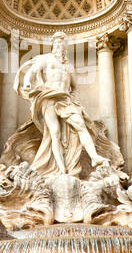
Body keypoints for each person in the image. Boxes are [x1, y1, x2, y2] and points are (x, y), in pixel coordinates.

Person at [14, 31, 106, 177]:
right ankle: (61, 169)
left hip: (65, 99)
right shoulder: (46, 59)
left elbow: (74, 86)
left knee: (81, 126)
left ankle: (94, 157)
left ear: (65, 46)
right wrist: (26, 83)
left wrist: (73, 100)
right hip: (48, 97)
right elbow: (31, 72)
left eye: (62, 43)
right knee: (54, 132)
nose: (59, 45)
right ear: (53, 44)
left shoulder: (69, 66)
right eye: (57, 42)